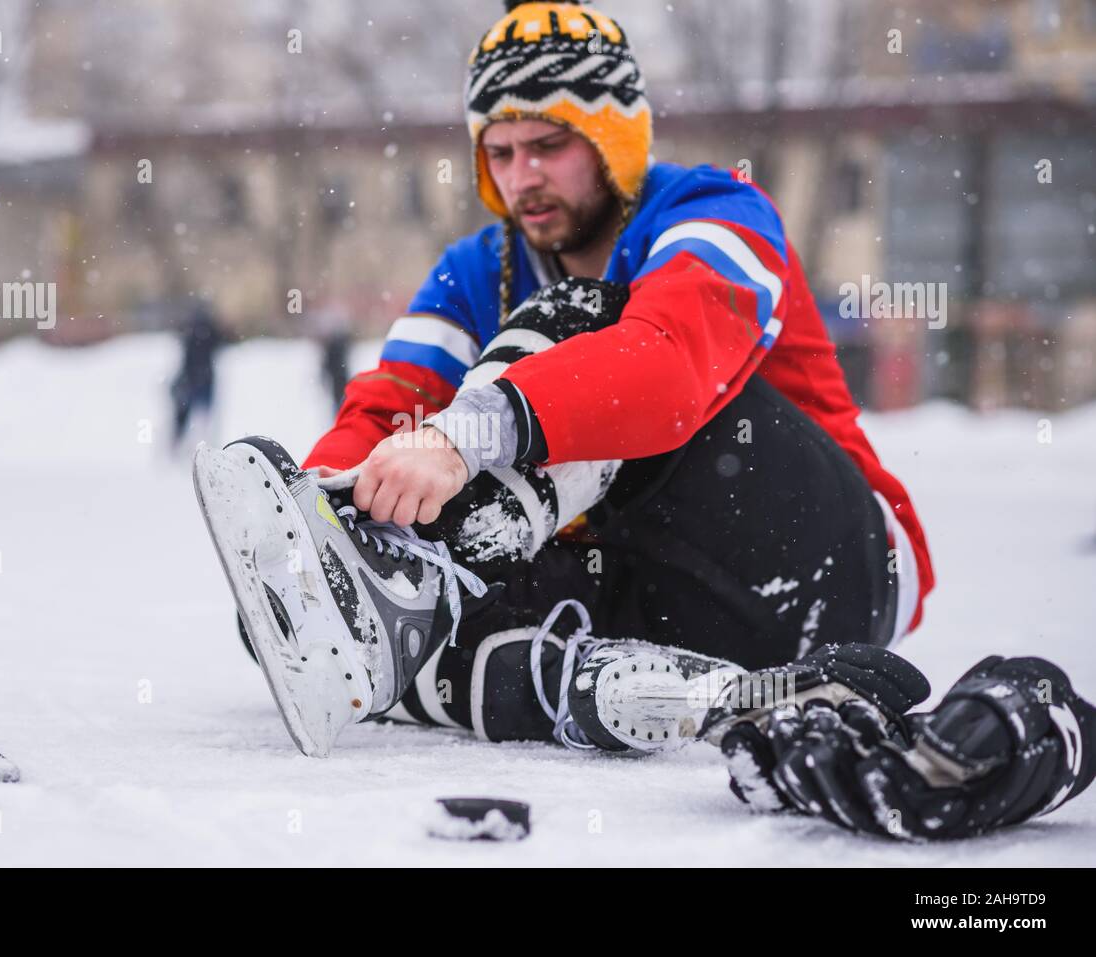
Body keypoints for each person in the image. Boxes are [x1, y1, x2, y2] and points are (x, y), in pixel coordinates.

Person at [191, 1, 1094, 839]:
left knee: (589, 318)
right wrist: (317, 529)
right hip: (650, 585)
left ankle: (415, 619)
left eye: (548, 144)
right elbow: (390, 403)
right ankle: (693, 695)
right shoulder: (478, 264)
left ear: (614, 136)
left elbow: (663, 366)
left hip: (831, 556)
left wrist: (460, 436)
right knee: (334, 623)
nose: (522, 177)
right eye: (498, 153)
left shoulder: (716, 210)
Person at [169, 298, 228, 454]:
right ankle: (203, 449)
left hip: (192, 378)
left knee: (187, 416)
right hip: (203, 378)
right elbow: (222, 342)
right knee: (203, 417)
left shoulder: (189, 330)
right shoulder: (209, 329)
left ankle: (184, 447)